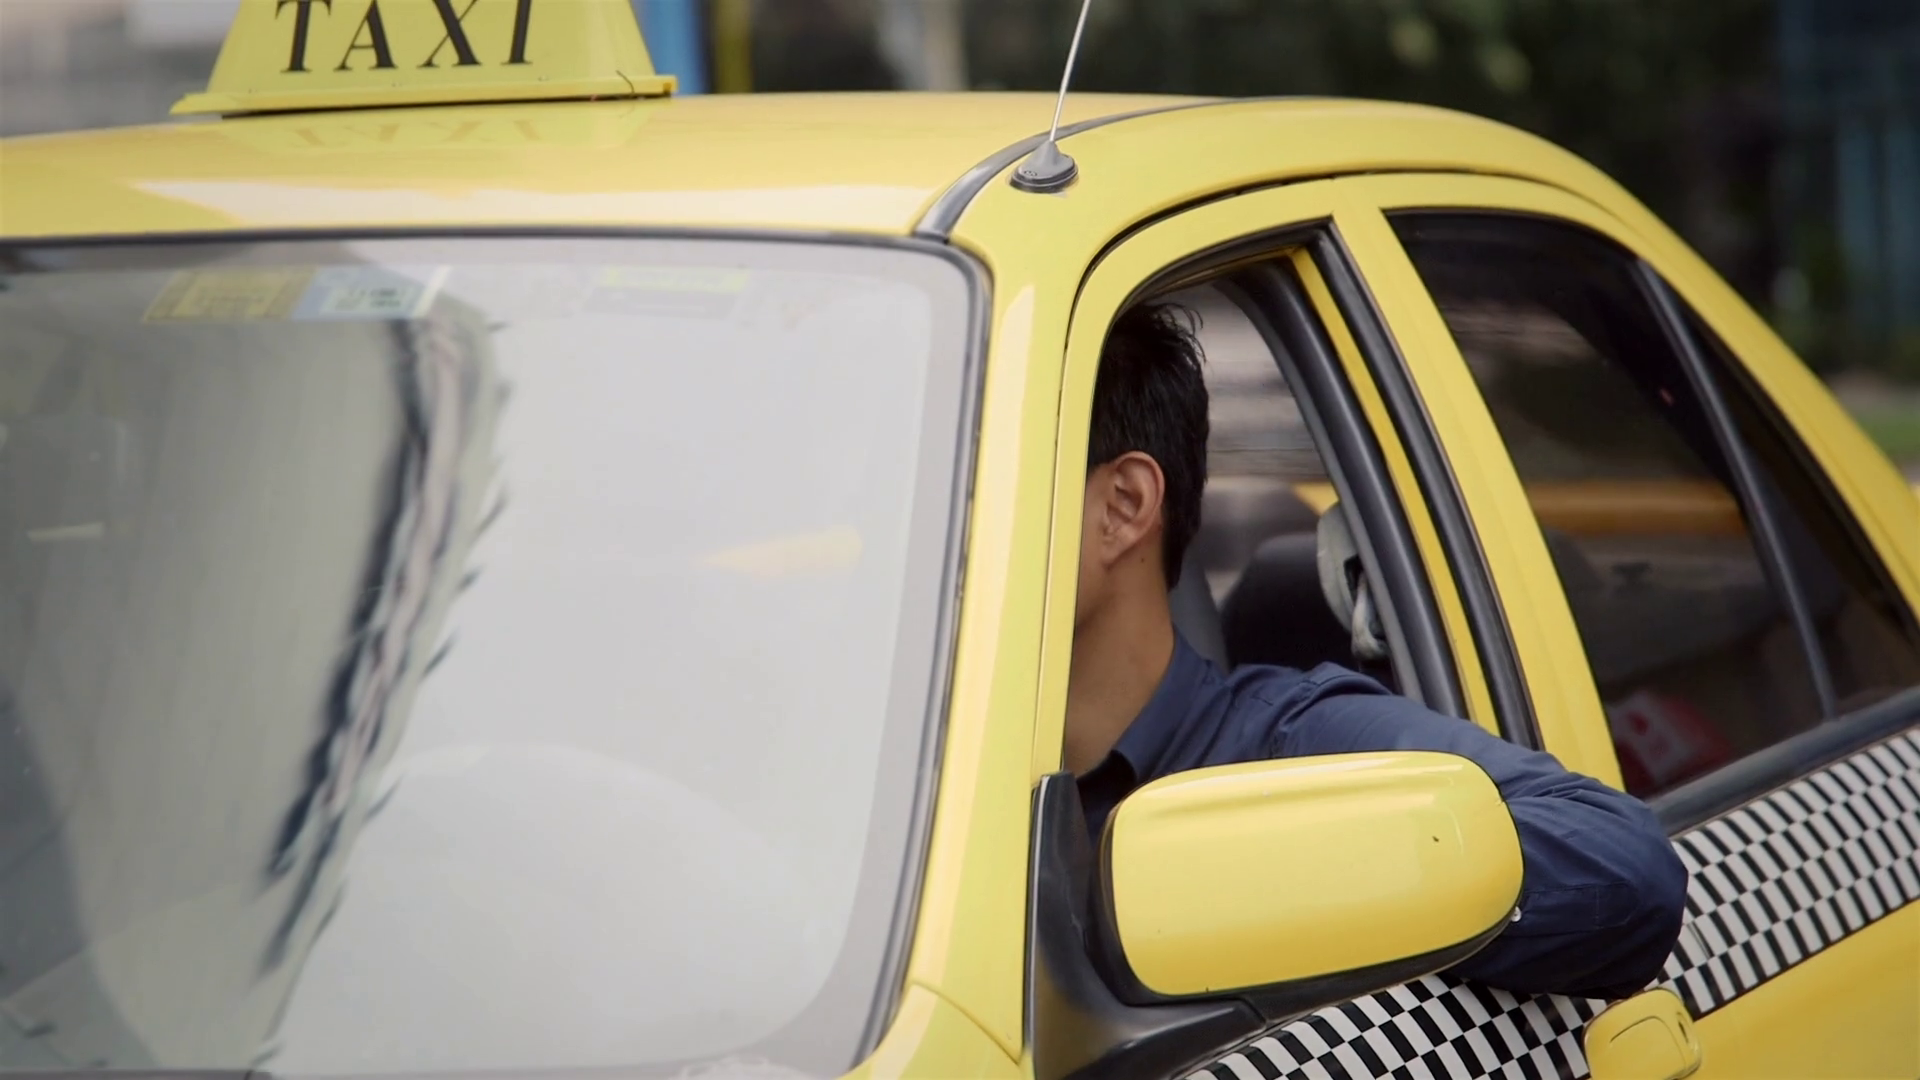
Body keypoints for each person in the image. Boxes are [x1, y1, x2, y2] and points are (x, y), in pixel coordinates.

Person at [1068, 302, 1688, 1001]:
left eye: (965, 485)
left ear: (1122, 506)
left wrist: (1261, 873)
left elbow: (1627, 871)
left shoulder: (1286, 747)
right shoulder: (936, 803)